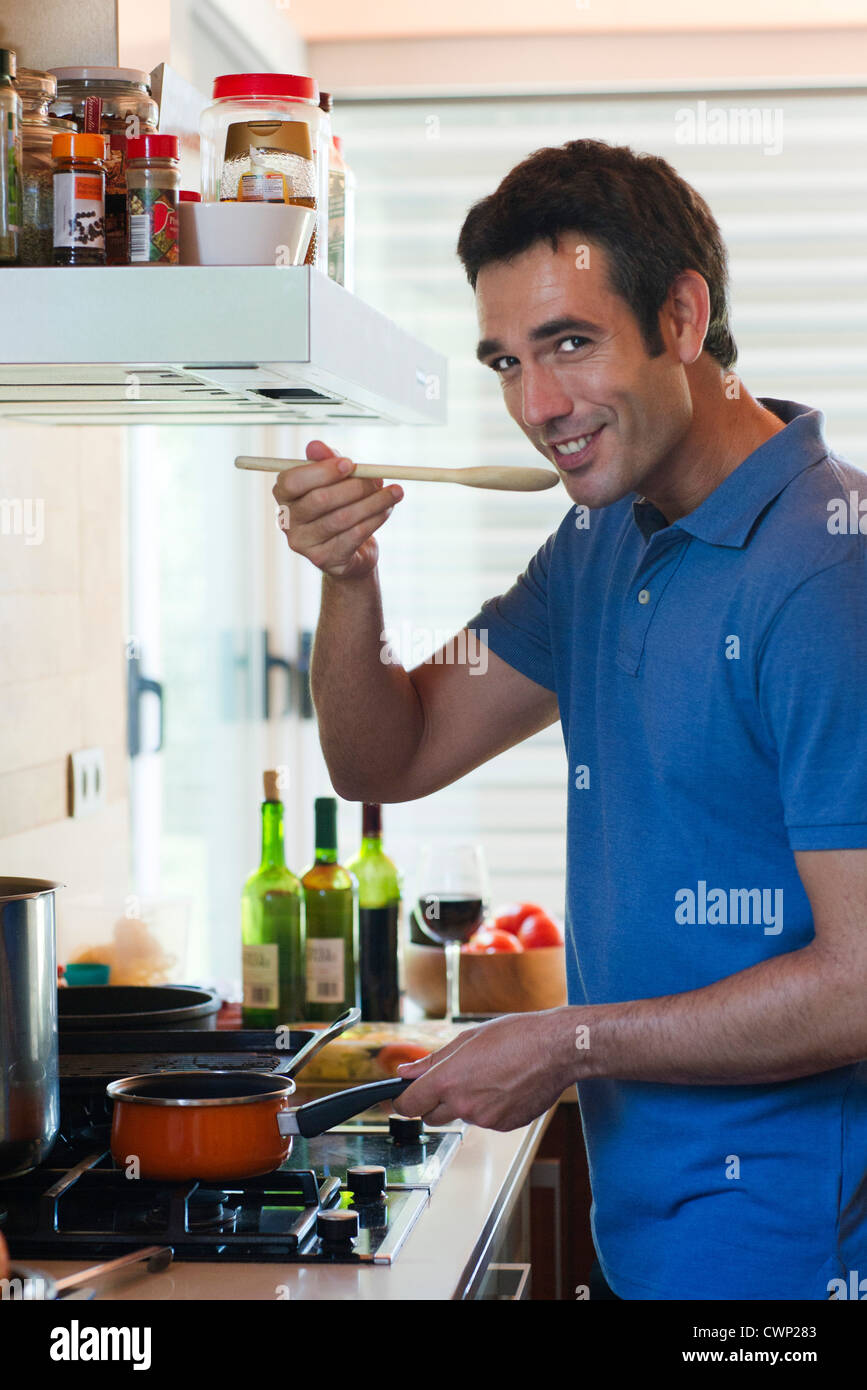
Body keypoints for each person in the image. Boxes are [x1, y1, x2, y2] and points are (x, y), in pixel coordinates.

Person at [273, 140, 867, 1301]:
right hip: (650, 1225)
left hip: (796, 1252)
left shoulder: (828, 572)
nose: (538, 407)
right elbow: (383, 751)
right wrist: (350, 579)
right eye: (505, 361)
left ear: (683, 315)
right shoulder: (596, 542)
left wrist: (563, 1041)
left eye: (571, 344)